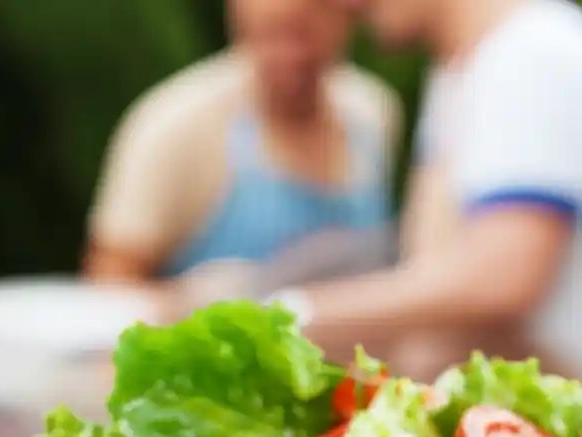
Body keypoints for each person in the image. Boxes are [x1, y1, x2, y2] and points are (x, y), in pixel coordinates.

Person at [272, 0, 582, 376]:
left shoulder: (533, 54)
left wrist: (295, 312)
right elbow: (431, 283)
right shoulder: (461, 72)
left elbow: (503, 277)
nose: (344, 5)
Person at [85, 0, 401, 289]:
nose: (286, 55)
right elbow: (111, 285)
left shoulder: (373, 112)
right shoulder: (176, 125)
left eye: (301, 33)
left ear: (345, 19)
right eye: (266, 35)